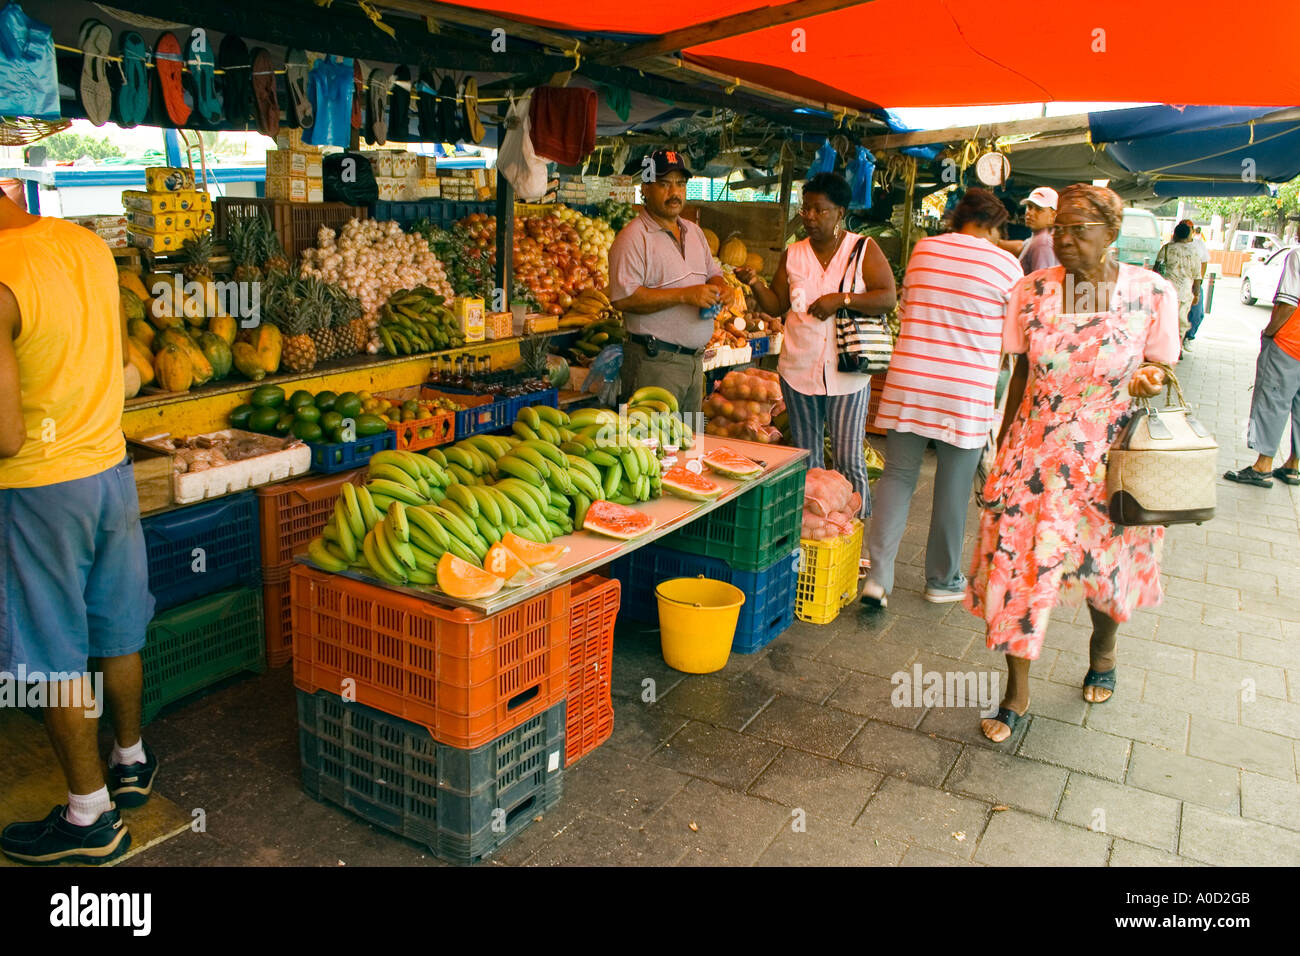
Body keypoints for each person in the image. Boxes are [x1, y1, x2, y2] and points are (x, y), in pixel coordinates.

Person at [965, 183, 1180, 743]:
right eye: (1058, 227)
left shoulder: (1151, 293)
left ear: (1112, 234)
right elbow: (1020, 375)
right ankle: (1016, 692)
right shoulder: (1031, 289)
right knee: (1017, 565)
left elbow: (1158, 372)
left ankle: (1103, 652)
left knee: (1105, 567)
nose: (1063, 239)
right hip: (1037, 450)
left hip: (1111, 456)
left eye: (1078, 229)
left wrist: (1149, 382)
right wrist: (1002, 442)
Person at [0, 193, 157, 865]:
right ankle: (131, 762)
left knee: (53, 655)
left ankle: (90, 818)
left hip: (38, 490)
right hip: (109, 471)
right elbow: (126, 370)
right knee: (114, 629)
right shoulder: (89, 247)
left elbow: (5, 437)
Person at [861, 189, 1023, 608]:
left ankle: (878, 578)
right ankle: (941, 580)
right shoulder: (1007, 264)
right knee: (952, 487)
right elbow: (1012, 336)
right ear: (993, 225)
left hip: (910, 380)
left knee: (898, 476)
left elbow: (911, 305)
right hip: (965, 391)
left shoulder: (923, 251)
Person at [737, 171, 896, 518]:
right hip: (798, 370)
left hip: (848, 374)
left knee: (848, 458)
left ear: (840, 212)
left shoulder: (863, 249)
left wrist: (840, 299)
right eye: (806, 209)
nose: (809, 217)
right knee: (806, 457)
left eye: (819, 210)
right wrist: (755, 283)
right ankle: (810, 533)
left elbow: (887, 298)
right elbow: (777, 304)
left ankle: (854, 536)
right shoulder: (794, 254)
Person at [608, 148, 728, 417]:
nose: (674, 192)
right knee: (652, 450)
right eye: (664, 184)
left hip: (695, 363)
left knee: (689, 447)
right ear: (645, 189)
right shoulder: (633, 238)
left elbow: (713, 272)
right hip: (655, 364)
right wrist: (684, 296)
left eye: (680, 184)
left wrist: (722, 286)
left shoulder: (694, 232)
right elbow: (623, 299)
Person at [1223, 245, 1300, 487]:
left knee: (1270, 402)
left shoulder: (1297, 256)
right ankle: (1292, 466)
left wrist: (1269, 331)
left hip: (1289, 343)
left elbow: (1289, 303)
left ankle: (1262, 466)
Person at [1155, 221, 1202, 351]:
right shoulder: (1194, 252)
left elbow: (1157, 269)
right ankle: (1177, 348)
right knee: (1181, 320)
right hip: (1185, 293)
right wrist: (1196, 294)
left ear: (1174, 234)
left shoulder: (1167, 249)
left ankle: (1163, 346)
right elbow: (1197, 276)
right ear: (1188, 236)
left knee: (1166, 320)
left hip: (1167, 291)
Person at [995, 187, 1059, 272]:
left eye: (1038, 209)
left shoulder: (1042, 242)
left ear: (1052, 215)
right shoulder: (1040, 238)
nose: (1030, 212)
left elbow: (1040, 282)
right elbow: (1021, 246)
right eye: (1029, 207)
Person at [1184, 223, 1210, 346]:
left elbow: (1204, 263)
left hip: (1194, 283)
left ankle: (1189, 337)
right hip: (1176, 286)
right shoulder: (1170, 246)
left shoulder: (1198, 245)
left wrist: (1199, 283)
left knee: (1197, 313)